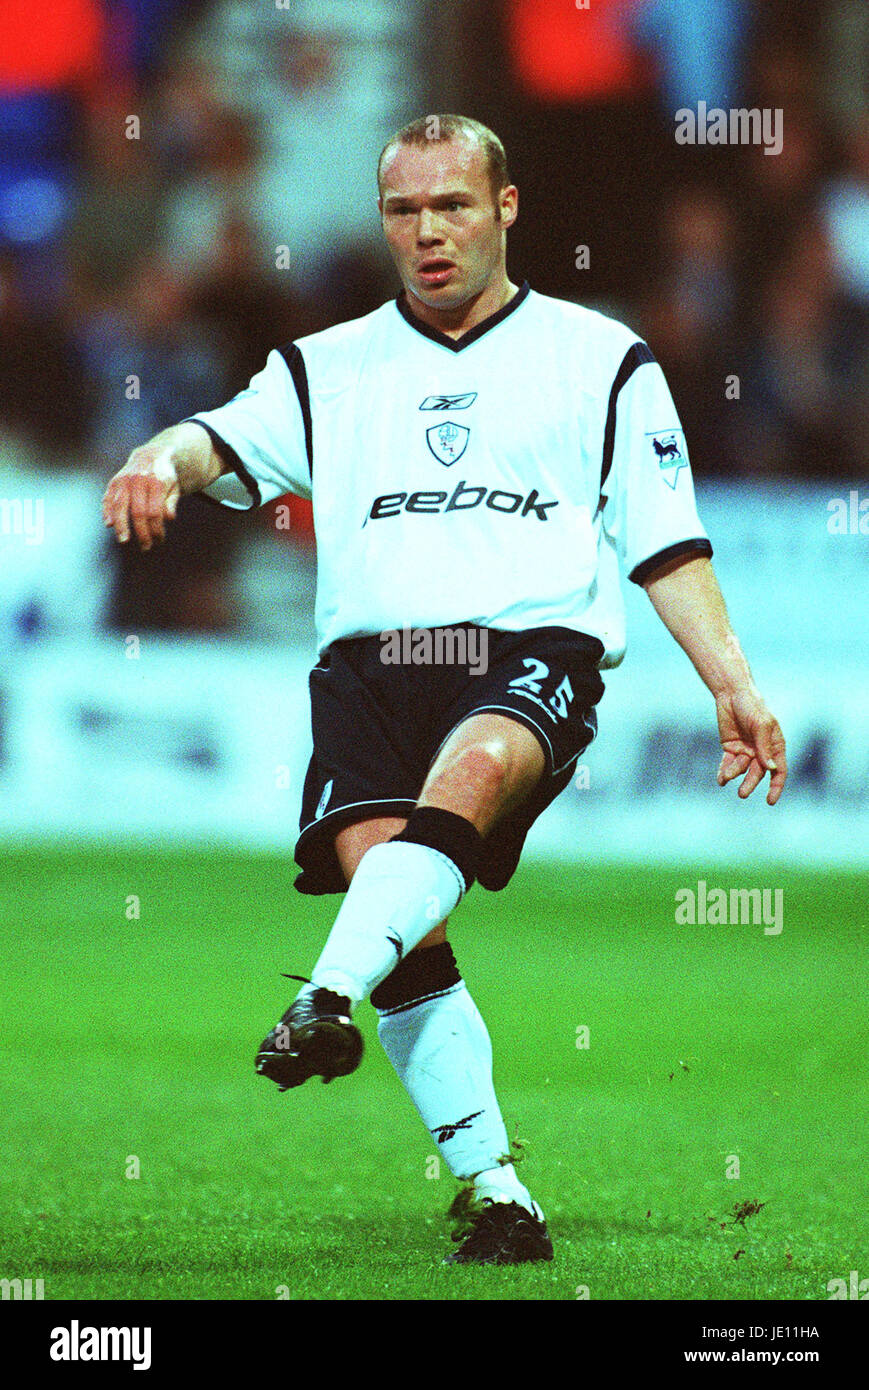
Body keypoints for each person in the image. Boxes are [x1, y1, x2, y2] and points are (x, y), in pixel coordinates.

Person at [102, 114, 787, 1266]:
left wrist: (731, 681)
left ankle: (318, 999)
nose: (426, 232)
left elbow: (666, 542)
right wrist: (149, 460)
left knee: (468, 778)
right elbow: (211, 442)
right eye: (403, 210)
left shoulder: (598, 358)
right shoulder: (326, 366)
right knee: (405, 926)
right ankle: (496, 1189)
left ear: (505, 207)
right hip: (369, 672)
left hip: (528, 650)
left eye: (452, 206)